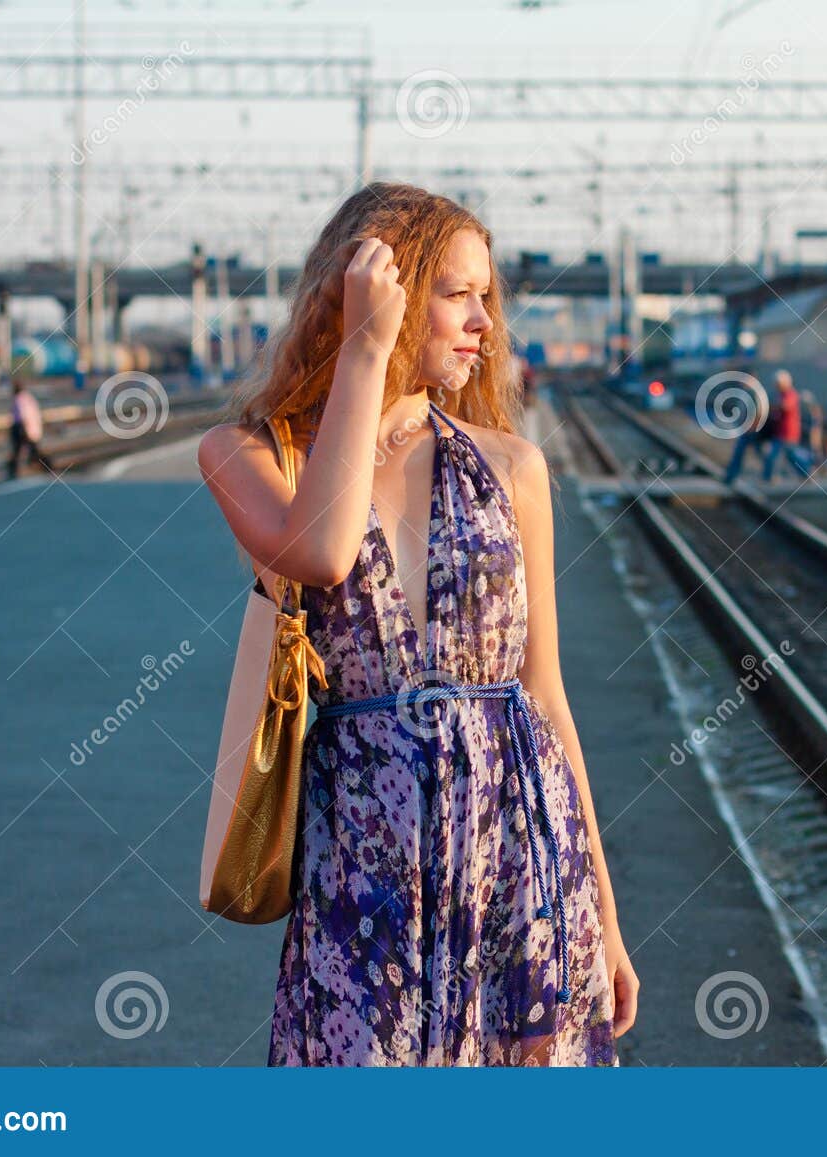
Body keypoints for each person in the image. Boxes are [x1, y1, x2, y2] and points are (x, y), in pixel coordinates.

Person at [197, 182, 635, 1066]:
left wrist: (606, 911)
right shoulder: (251, 455)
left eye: (489, 298)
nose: (484, 322)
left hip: (516, 847)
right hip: (366, 854)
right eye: (457, 294)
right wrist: (363, 353)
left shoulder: (513, 466)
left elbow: (545, 692)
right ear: (379, 293)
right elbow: (319, 553)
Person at [720, 369, 772, 485]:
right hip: (748, 429)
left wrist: (752, 427)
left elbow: (760, 412)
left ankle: (730, 477)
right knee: (750, 452)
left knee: (743, 452)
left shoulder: (755, 393)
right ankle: (730, 477)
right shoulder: (746, 393)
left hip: (752, 430)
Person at [761, 370, 814, 482]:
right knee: (791, 456)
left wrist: (770, 407)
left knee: (774, 455)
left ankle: (768, 477)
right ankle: (805, 474)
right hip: (781, 432)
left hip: (788, 433)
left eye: (778, 384)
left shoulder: (791, 394)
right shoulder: (780, 394)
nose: (776, 386)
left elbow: (785, 406)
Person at [7, 377, 56, 478]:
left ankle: (48, 466)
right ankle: (13, 470)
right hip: (32, 429)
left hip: (23, 429)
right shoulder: (29, 397)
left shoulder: (19, 399)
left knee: (25, 451)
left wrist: (24, 430)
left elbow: (23, 416)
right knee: (28, 451)